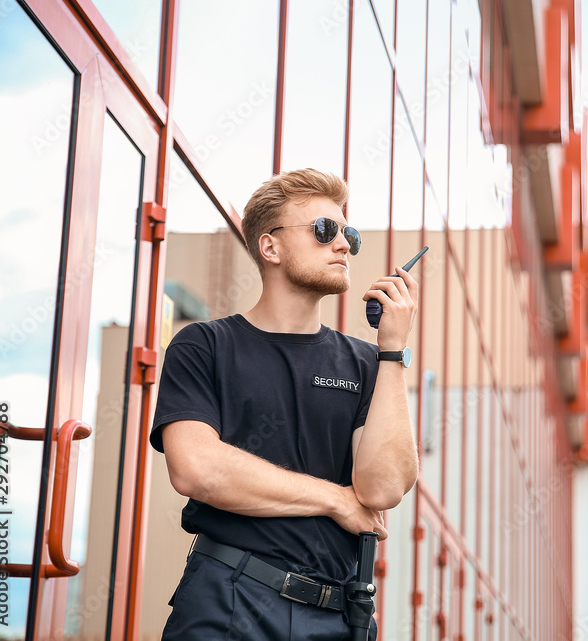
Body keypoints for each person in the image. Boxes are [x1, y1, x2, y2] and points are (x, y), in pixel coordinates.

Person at [149, 168, 419, 640]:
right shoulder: (204, 346)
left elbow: (381, 490)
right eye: (324, 230)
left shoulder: (367, 363)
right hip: (230, 598)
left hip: (338, 614)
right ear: (270, 247)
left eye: (349, 235)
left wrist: (392, 351)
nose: (343, 245)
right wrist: (335, 500)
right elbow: (196, 469)